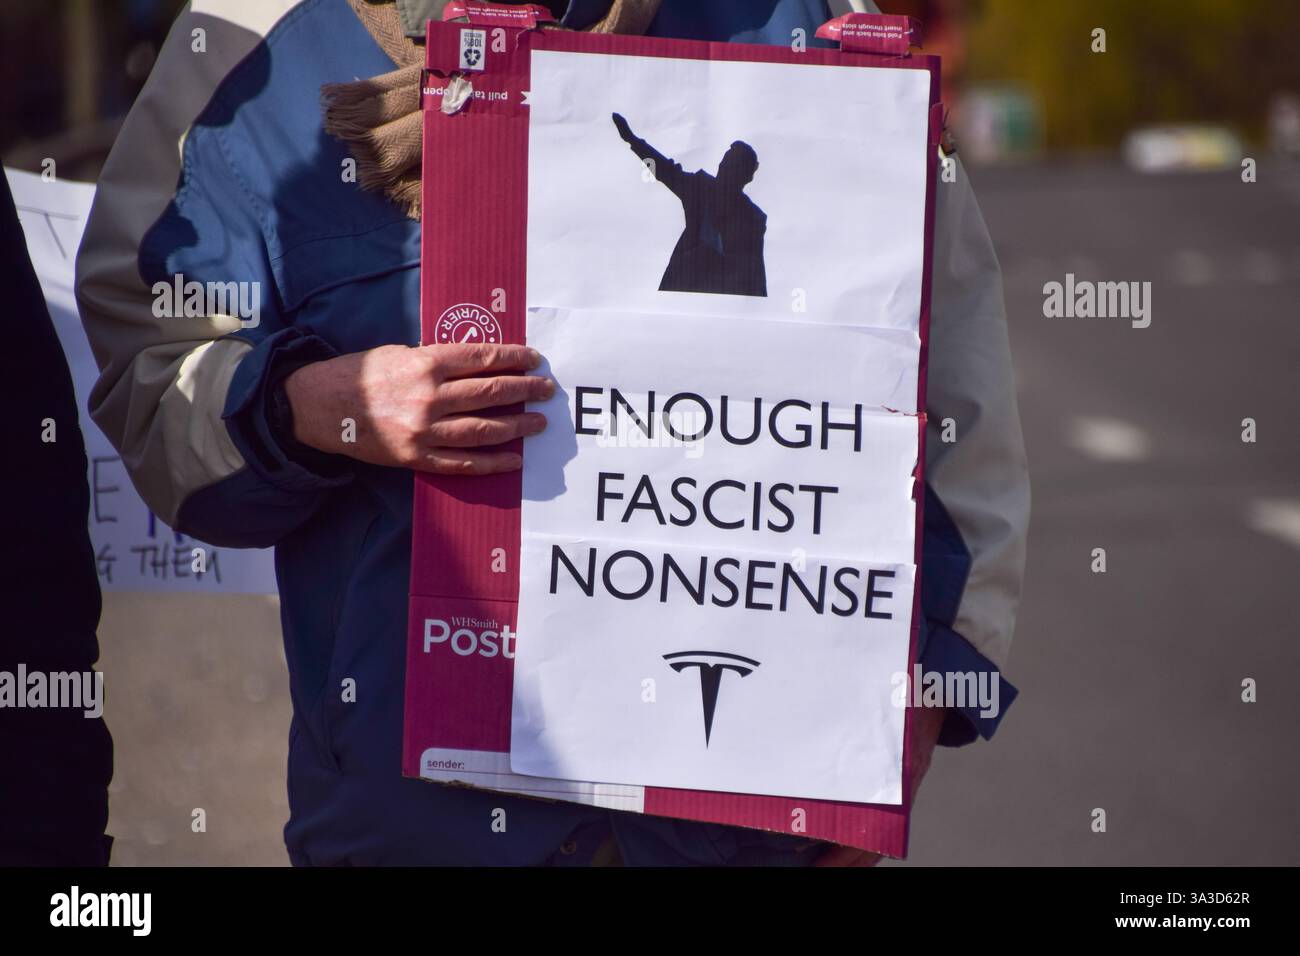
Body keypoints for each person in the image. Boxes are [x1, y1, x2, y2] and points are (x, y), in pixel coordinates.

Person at [76, 0, 1028, 866]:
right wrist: (311, 405)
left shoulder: (800, 22)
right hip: (415, 831)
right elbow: (149, 375)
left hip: (735, 836)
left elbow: (946, 377)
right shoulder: (248, 46)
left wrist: (920, 709)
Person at [612, 112, 768, 296]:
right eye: (724, 161)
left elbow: (754, 274)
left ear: (744, 176)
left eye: (730, 164)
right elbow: (664, 170)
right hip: (682, 282)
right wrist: (633, 141)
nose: (723, 167)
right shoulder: (701, 187)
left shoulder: (752, 218)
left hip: (718, 293)